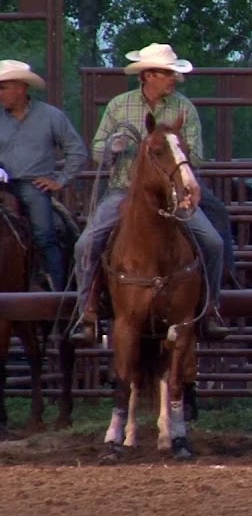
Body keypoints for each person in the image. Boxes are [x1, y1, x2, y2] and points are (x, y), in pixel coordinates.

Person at [70, 43, 228, 345]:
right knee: (86, 244)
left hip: (172, 192)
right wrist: (113, 148)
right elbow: (97, 149)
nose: (174, 79)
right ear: (148, 75)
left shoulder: (184, 108)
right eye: (168, 73)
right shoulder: (120, 106)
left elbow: (195, 156)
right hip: (124, 190)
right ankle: (86, 313)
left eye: (173, 73)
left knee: (213, 242)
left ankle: (209, 309)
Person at [0, 59, 87, 291]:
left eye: (3, 87)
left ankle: (57, 294)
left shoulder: (50, 116)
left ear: (21, 87)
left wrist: (59, 181)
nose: (0, 94)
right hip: (2, 183)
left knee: (44, 234)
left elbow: (76, 150)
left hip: (33, 183)